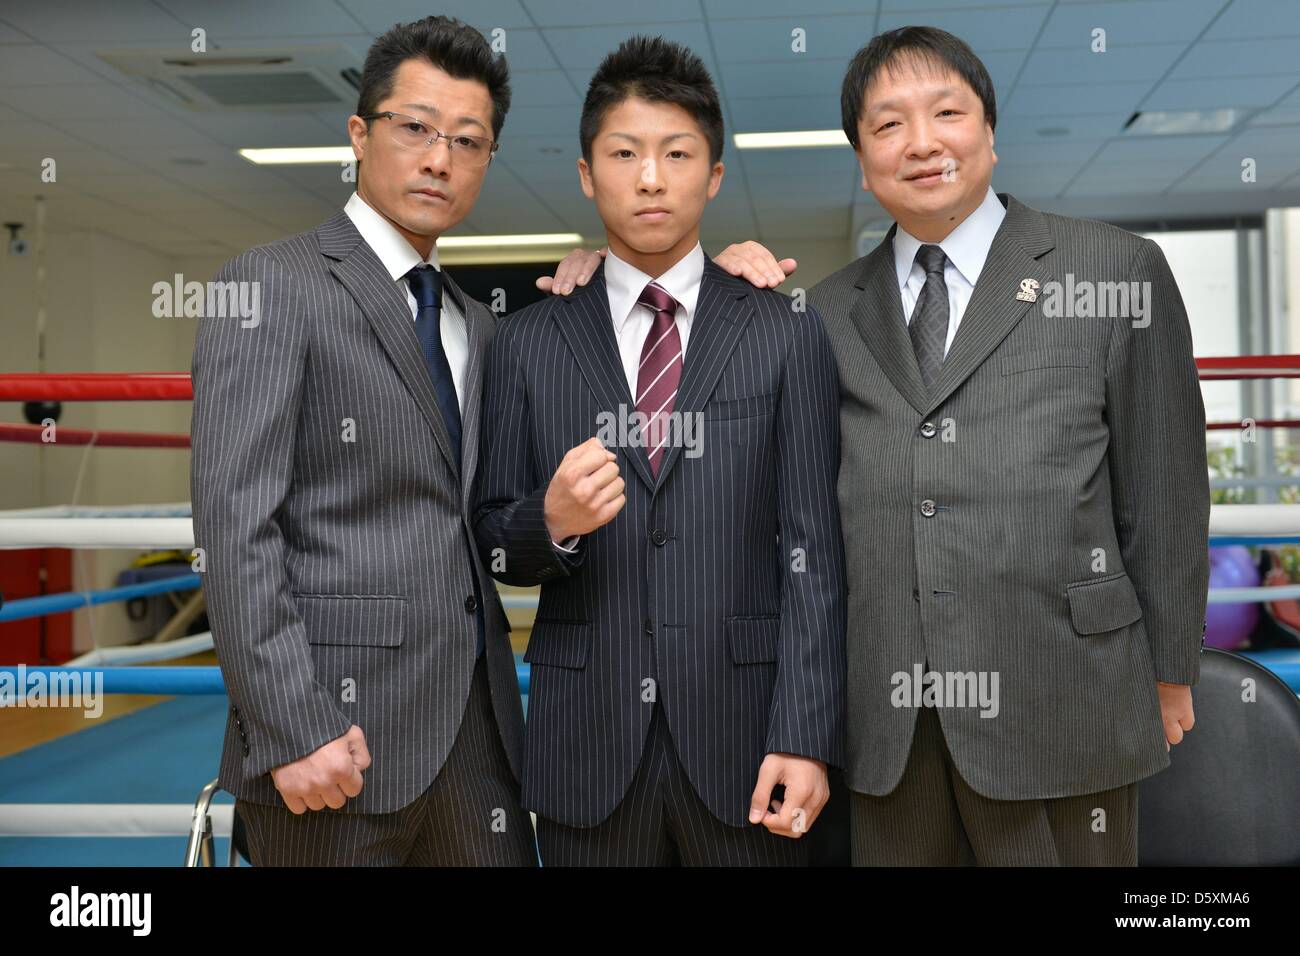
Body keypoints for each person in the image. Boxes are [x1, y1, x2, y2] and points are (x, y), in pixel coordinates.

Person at [547, 24, 1210, 867]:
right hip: (885, 722)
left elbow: (1166, 488)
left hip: (1065, 698)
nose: (923, 143)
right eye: (889, 125)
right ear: (862, 160)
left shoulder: (1112, 271)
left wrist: (1169, 667)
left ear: (990, 134)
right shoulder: (820, 313)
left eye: (947, 113)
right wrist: (608, 274)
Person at [473, 35, 846, 866]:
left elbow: (816, 550)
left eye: (677, 154)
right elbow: (494, 538)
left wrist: (806, 733)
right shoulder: (526, 344)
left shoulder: (782, 329)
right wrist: (552, 521)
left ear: (713, 175)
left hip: (750, 741)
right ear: (585, 172)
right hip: (587, 746)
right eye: (624, 153)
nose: (650, 177)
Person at [190, 16, 537, 866]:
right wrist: (291, 726)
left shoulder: (472, 325)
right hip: (331, 744)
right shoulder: (272, 283)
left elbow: (470, 520)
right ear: (359, 133)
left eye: (468, 140)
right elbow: (237, 527)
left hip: (478, 743)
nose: (438, 158)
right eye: (414, 128)